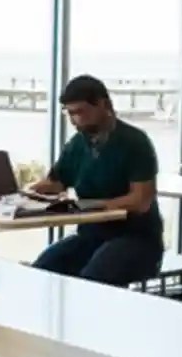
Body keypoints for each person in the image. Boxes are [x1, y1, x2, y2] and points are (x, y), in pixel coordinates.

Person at [28, 75, 163, 286]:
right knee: (40, 272)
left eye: (80, 112)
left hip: (136, 239)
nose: (74, 120)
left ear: (103, 104)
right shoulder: (77, 144)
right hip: (91, 236)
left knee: (92, 279)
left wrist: (98, 205)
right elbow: (56, 183)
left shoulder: (135, 142)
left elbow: (141, 200)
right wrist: (24, 191)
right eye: (70, 114)